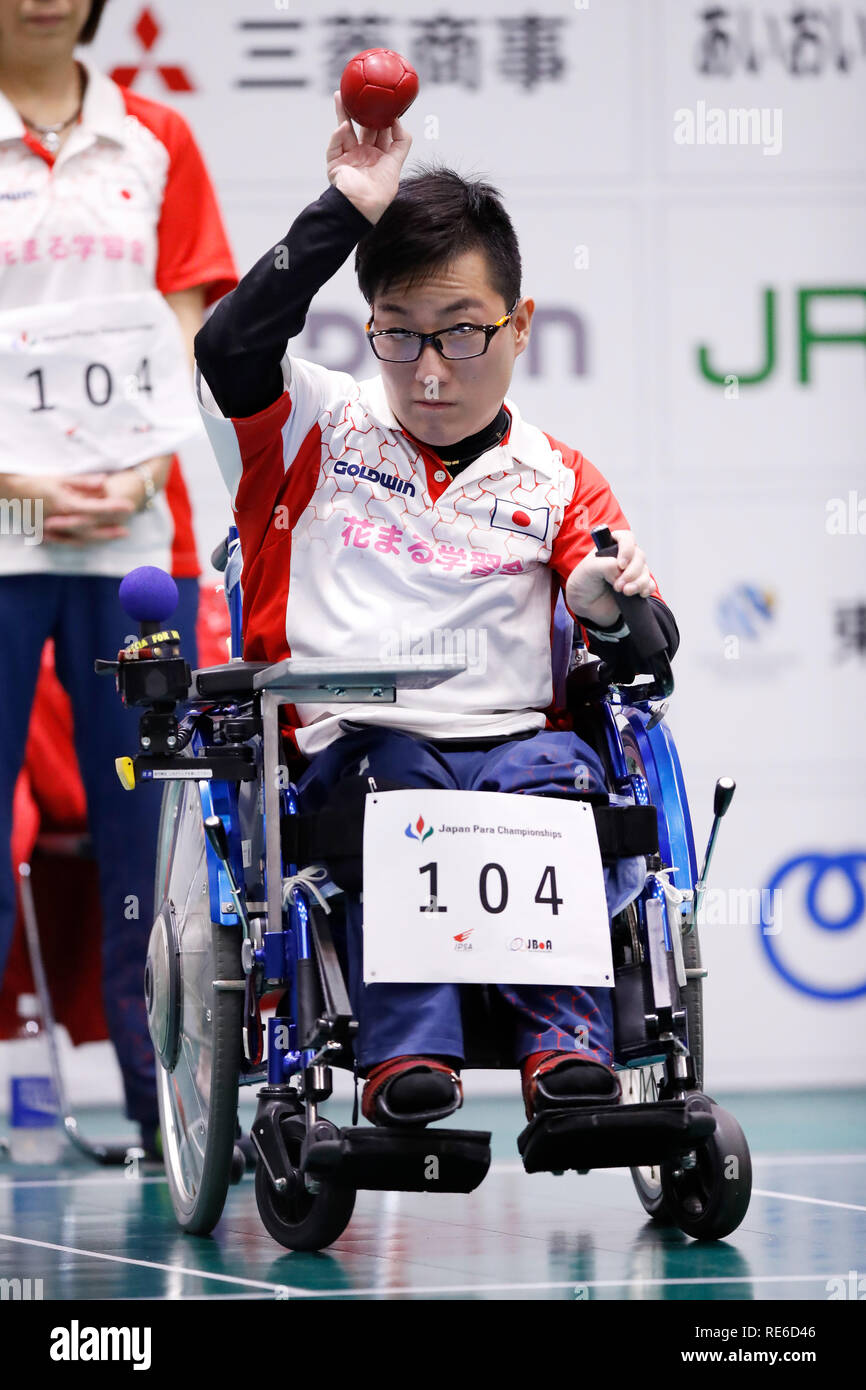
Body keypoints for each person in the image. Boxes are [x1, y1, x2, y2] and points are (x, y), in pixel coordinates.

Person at [194, 95, 680, 1129]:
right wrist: (345, 206)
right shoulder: (314, 426)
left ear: (519, 326)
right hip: (358, 744)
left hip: (516, 746)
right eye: (399, 334)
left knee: (554, 779)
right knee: (399, 780)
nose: (427, 369)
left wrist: (603, 605)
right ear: (367, 329)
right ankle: (405, 1054)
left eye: (462, 333)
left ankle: (563, 1043)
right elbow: (230, 346)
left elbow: (647, 644)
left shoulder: (556, 478)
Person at [0, 0, 237, 1153]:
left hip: (137, 540)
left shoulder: (158, 138)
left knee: (153, 837)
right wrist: (13, 482)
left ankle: (174, 1107)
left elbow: (186, 323)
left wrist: (144, 469)